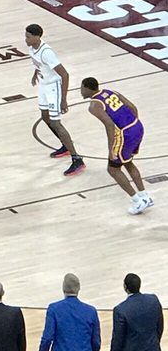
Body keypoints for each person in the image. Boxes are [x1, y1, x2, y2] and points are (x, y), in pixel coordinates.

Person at [81, 78, 154, 215]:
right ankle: (144, 196)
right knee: (128, 162)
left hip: (125, 134)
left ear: (87, 88)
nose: (81, 91)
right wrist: (133, 124)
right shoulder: (110, 91)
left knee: (113, 169)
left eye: (81, 88)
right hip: (137, 126)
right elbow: (132, 107)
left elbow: (109, 125)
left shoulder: (94, 105)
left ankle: (137, 201)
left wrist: (111, 149)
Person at [25, 24, 85, 177]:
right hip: (43, 85)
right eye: (26, 36)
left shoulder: (47, 52)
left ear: (37, 37)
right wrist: (35, 74)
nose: (26, 39)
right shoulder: (32, 48)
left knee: (55, 122)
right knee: (45, 117)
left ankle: (77, 159)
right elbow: (38, 64)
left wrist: (63, 100)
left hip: (53, 87)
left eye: (28, 37)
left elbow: (64, 74)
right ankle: (65, 146)